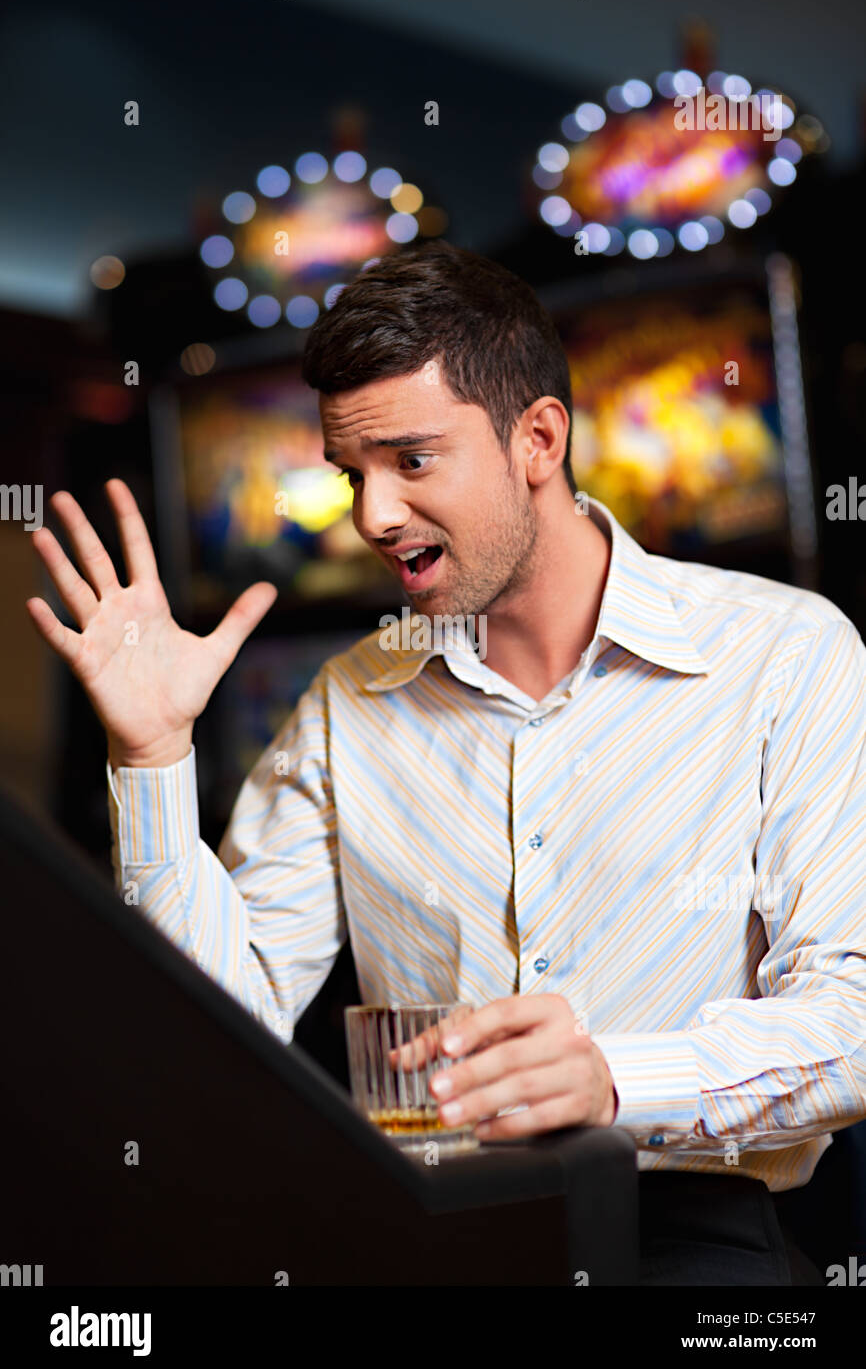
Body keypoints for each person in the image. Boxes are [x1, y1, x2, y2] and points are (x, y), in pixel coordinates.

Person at [26, 241, 866, 1286]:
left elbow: (850, 1020)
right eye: (352, 474)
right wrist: (151, 756)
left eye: (410, 461)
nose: (369, 516)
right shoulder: (344, 701)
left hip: (689, 1226)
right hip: (423, 1225)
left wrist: (612, 1076)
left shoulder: (784, 653)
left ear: (537, 440)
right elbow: (209, 1038)